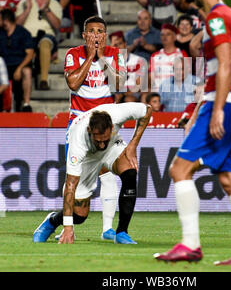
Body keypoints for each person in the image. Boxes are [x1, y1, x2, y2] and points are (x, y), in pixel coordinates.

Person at [155, 0, 231, 265]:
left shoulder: (217, 18)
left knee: (179, 169)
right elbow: (203, 50)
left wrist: (215, 111)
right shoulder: (227, 16)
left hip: (225, 106)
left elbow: (226, 64)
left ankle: (190, 245)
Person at [32, 101, 152, 244]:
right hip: (88, 158)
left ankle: (122, 232)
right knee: (79, 215)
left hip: (112, 148)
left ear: (112, 127)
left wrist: (133, 144)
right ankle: (52, 221)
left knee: (130, 173)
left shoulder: (117, 113)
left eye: (104, 140)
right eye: (98, 141)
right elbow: (71, 185)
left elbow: (147, 110)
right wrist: (68, 227)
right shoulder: (78, 141)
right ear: (90, 131)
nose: (101, 144)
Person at [62, 15, 126, 240]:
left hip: (107, 122)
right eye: (92, 31)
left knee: (108, 173)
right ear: (84, 35)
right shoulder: (73, 54)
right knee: (78, 196)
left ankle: (108, 230)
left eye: (100, 31)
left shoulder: (116, 55)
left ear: (105, 35)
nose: (96, 35)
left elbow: (119, 86)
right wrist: (90, 57)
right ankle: (57, 221)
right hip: (80, 122)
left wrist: (102, 59)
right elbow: (73, 83)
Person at [15, 0, 62, 90]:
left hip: (46, 35)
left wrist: (47, 10)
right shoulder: (24, 2)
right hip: (27, 36)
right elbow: (17, 24)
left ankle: (44, 80)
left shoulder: (54, 3)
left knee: (45, 42)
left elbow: (57, 25)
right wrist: (27, 9)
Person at [0, 9, 34, 112]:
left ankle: (26, 104)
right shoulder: (1, 33)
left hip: (19, 65)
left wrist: (19, 69)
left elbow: (30, 54)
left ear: (5, 20)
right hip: (3, 66)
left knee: (27, 72)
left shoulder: (23, 33)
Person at [149, 23, 188, 92]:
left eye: (168, 34)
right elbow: (150, 77)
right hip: (157, 94)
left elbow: (186, 76)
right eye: (162, 35)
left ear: (175, 37)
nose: (164, 37)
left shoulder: (182, 54)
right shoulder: (154, 56)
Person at [109, 30, 147, 94]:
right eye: (115, 45)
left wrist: (125, 94)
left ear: (125, 44)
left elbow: (139, 86)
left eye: (120, 43)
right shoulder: (108, 62)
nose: (118, 47)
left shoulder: (139, 60)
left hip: (133, 94)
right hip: (115, 94)